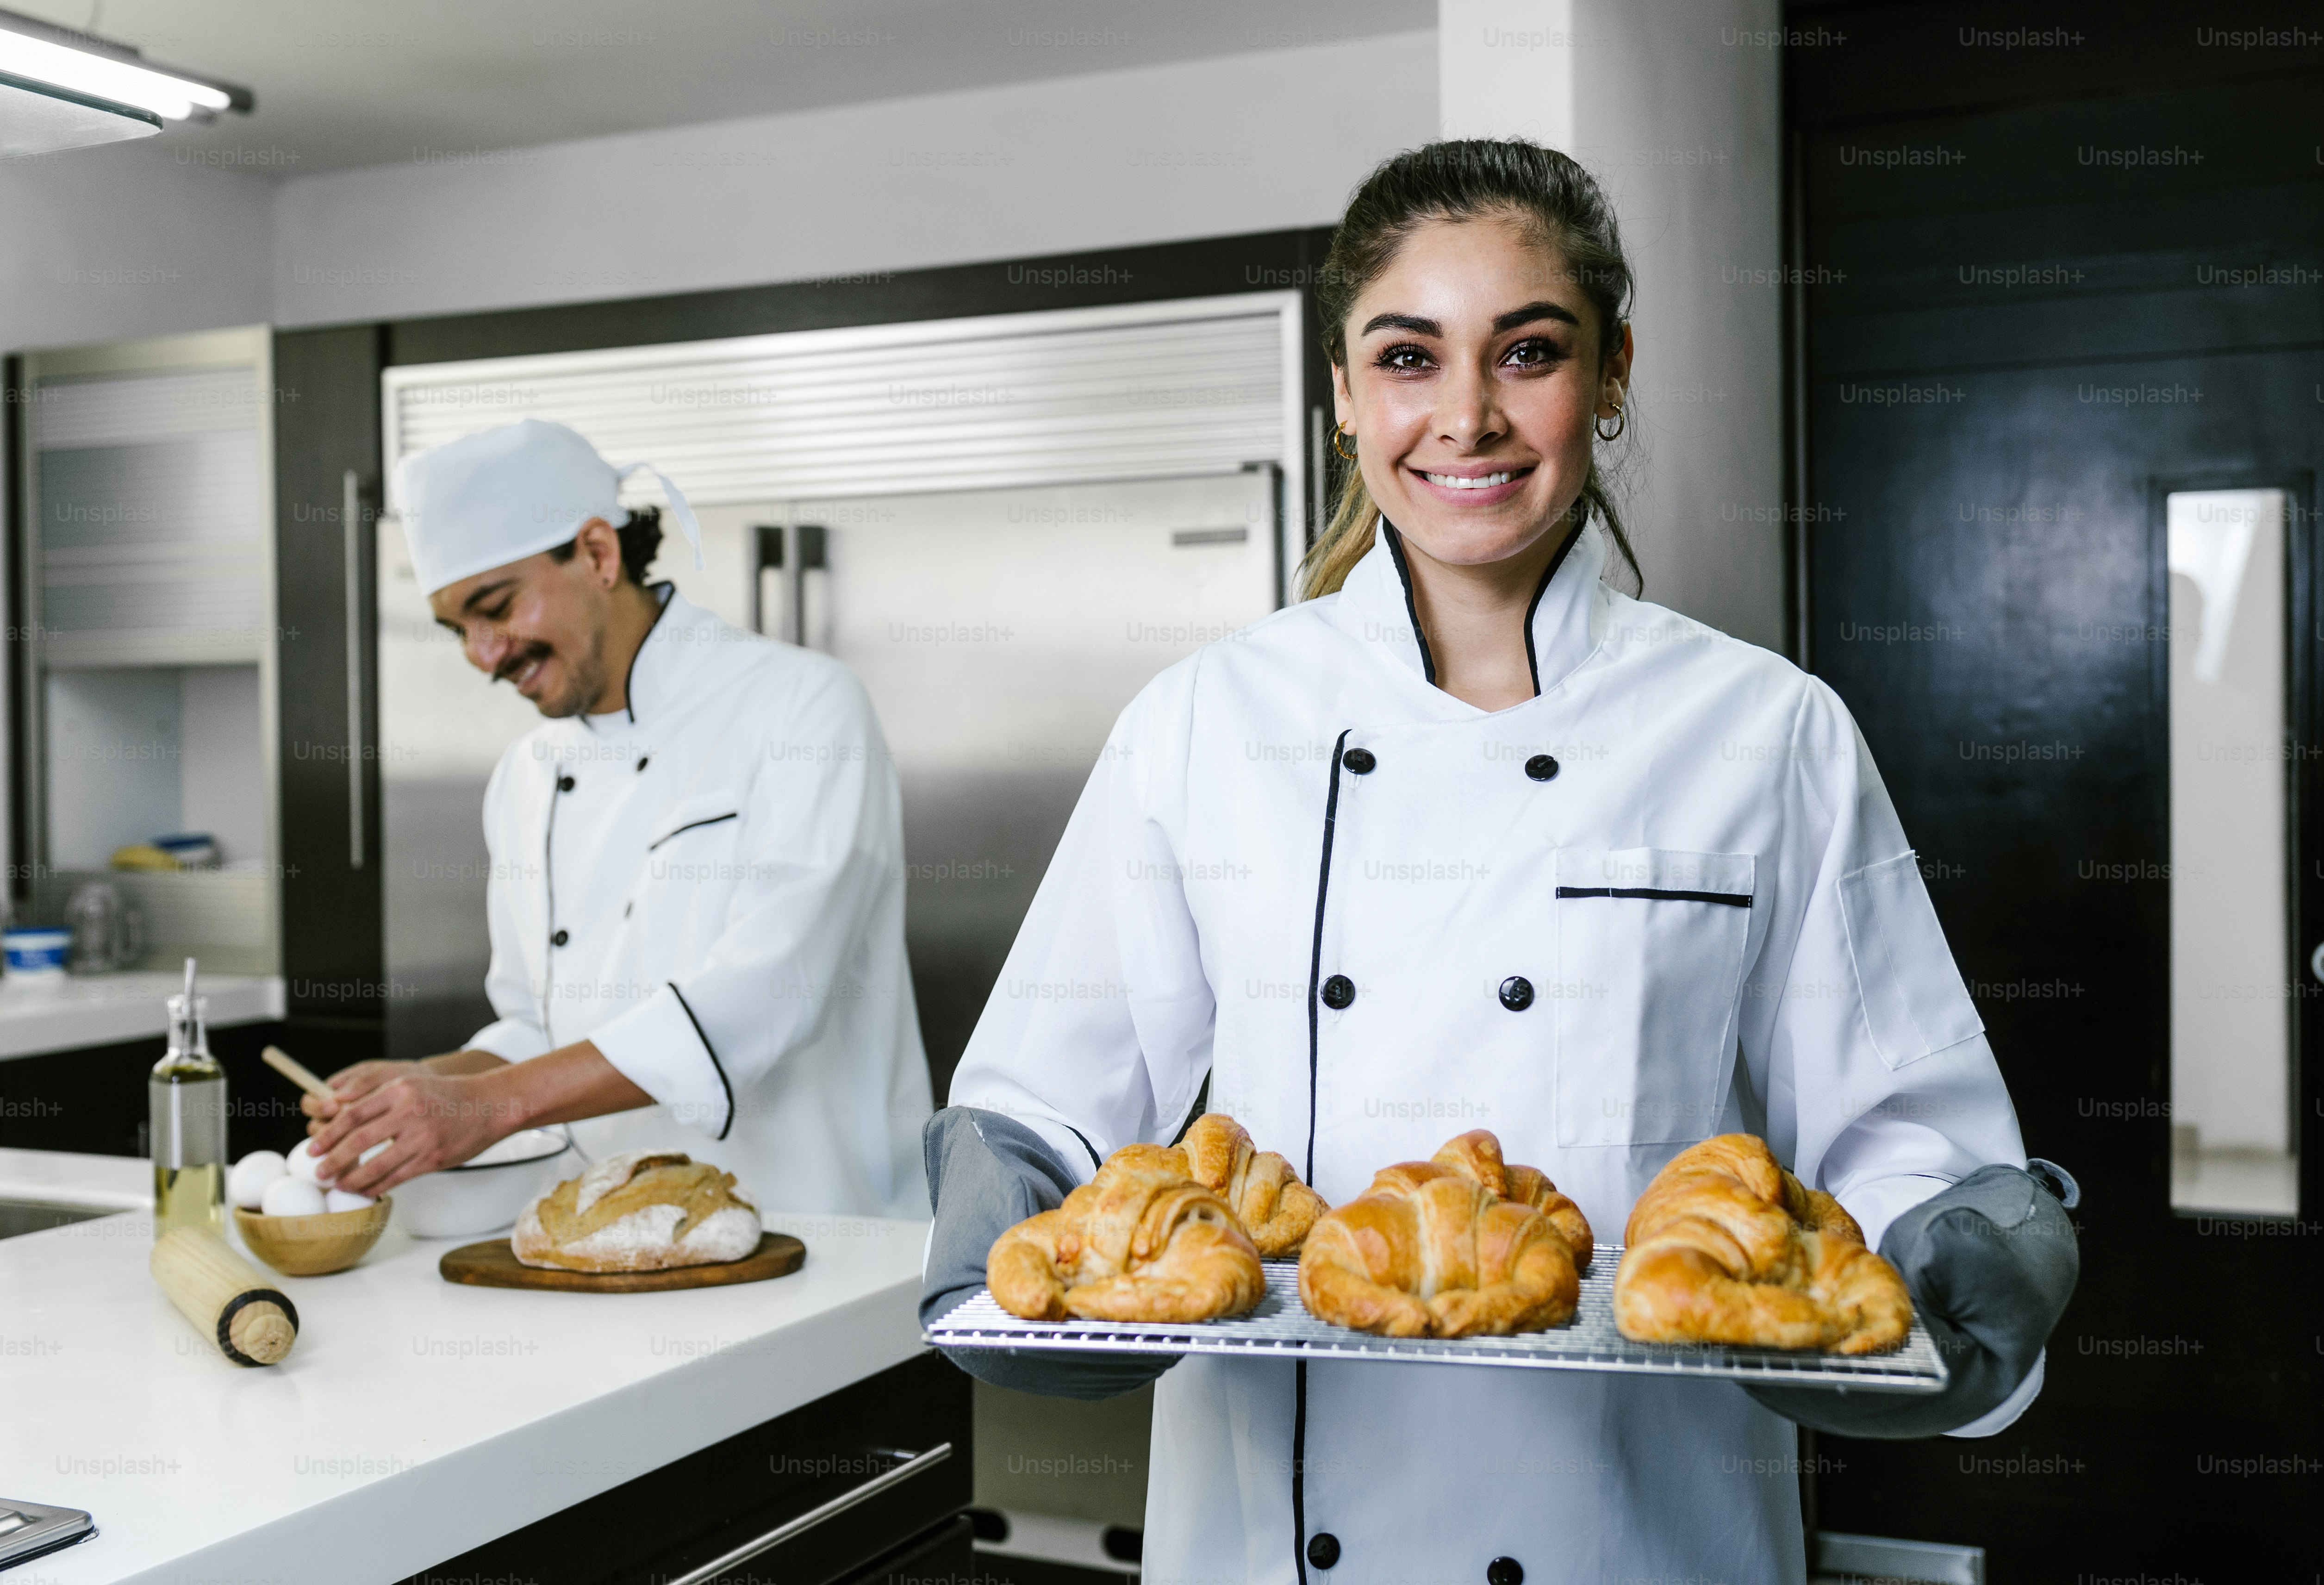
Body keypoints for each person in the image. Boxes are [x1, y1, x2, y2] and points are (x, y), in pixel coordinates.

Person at [921, 142, 2076, 1583]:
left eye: (1528, 352)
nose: (1465, 417)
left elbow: (1898, 1119)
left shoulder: (1765, 729)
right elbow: (1058, 1089)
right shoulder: (1206, 723)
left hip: (1638, 1525)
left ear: (1611, 376)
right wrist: (1014, 1219)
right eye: (1408, 357)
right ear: (1344, 396)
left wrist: (1953, 1259)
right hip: (1279, 1532)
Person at [302, 418, 931, 1218]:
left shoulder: (803, 709)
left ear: (598, 554)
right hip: (612, 1237)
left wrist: (491, 1105)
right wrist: (429, 1082)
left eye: (496, 607)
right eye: (459, 629)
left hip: (819, 1235)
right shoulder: (526, 778)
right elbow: (541, 1025)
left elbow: (772, 992)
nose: (483, 655)